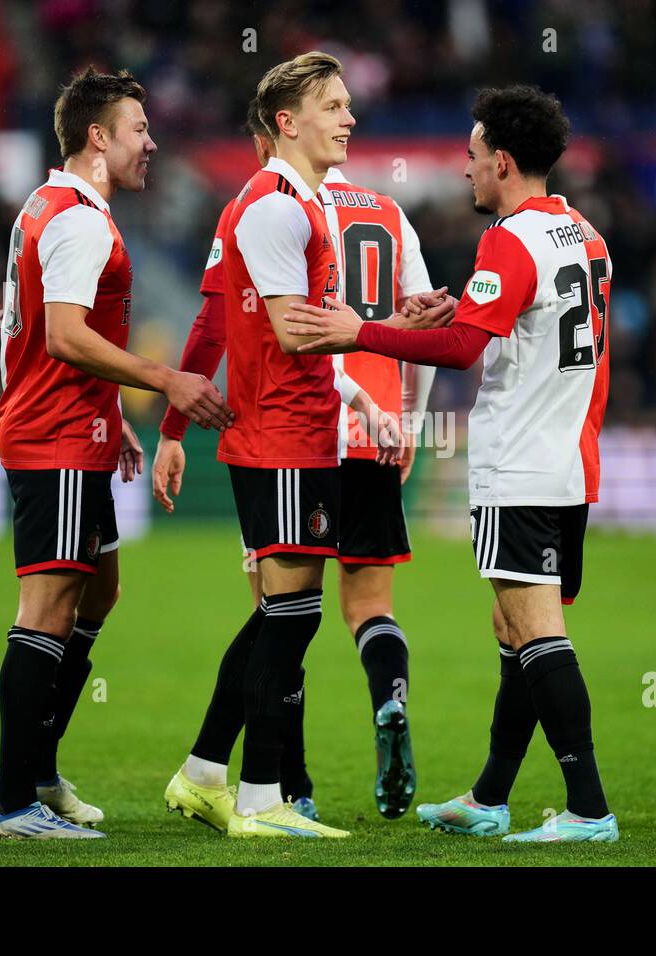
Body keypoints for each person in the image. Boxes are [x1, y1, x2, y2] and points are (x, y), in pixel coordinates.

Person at [287, 84, 618, 844]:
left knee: (536, 633)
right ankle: (491, 797)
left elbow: (466, 349)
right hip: (569, 460)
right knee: (513, 628)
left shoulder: (507, 239)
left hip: (521, 466)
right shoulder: (585, 235)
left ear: (502, 162)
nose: (465, 171)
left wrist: (359, 333)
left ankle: (588, 808)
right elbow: (519, 328)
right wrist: (458, 311)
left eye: (471, 157)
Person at [153, 97, 442, 822]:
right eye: (334, 109)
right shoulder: (360, 210)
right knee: (342, 611)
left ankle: (279, 784)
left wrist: (172, 426)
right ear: (281, 130)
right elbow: (409, 323)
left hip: (313, 425)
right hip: (330, 428)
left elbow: (213, 323)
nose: (347, 121)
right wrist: (400, 410)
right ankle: (350, 729)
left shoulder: (280, 209)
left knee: (280, 617)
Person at [0, 66, 233, 839]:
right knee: (47, 609)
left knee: (100, 593)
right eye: (138, 128)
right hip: (51, 438)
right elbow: (61, 334)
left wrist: (110, 414)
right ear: (98, 138)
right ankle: (12, 804)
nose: (151, 142)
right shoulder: (82, 220)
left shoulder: (52, 202)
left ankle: (40, 768)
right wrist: (163, 379)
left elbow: (49, 334)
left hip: (79, 428)